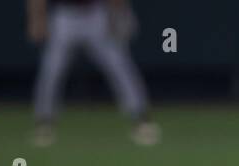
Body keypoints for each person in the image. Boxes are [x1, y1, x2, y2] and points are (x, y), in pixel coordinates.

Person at [27, 0, 159, 147]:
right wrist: (37, 19)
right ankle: (44, 122)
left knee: (119, 64)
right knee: (52, 69)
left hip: (96, 14)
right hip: (64, 16)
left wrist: (120, 14)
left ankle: (140, 118)